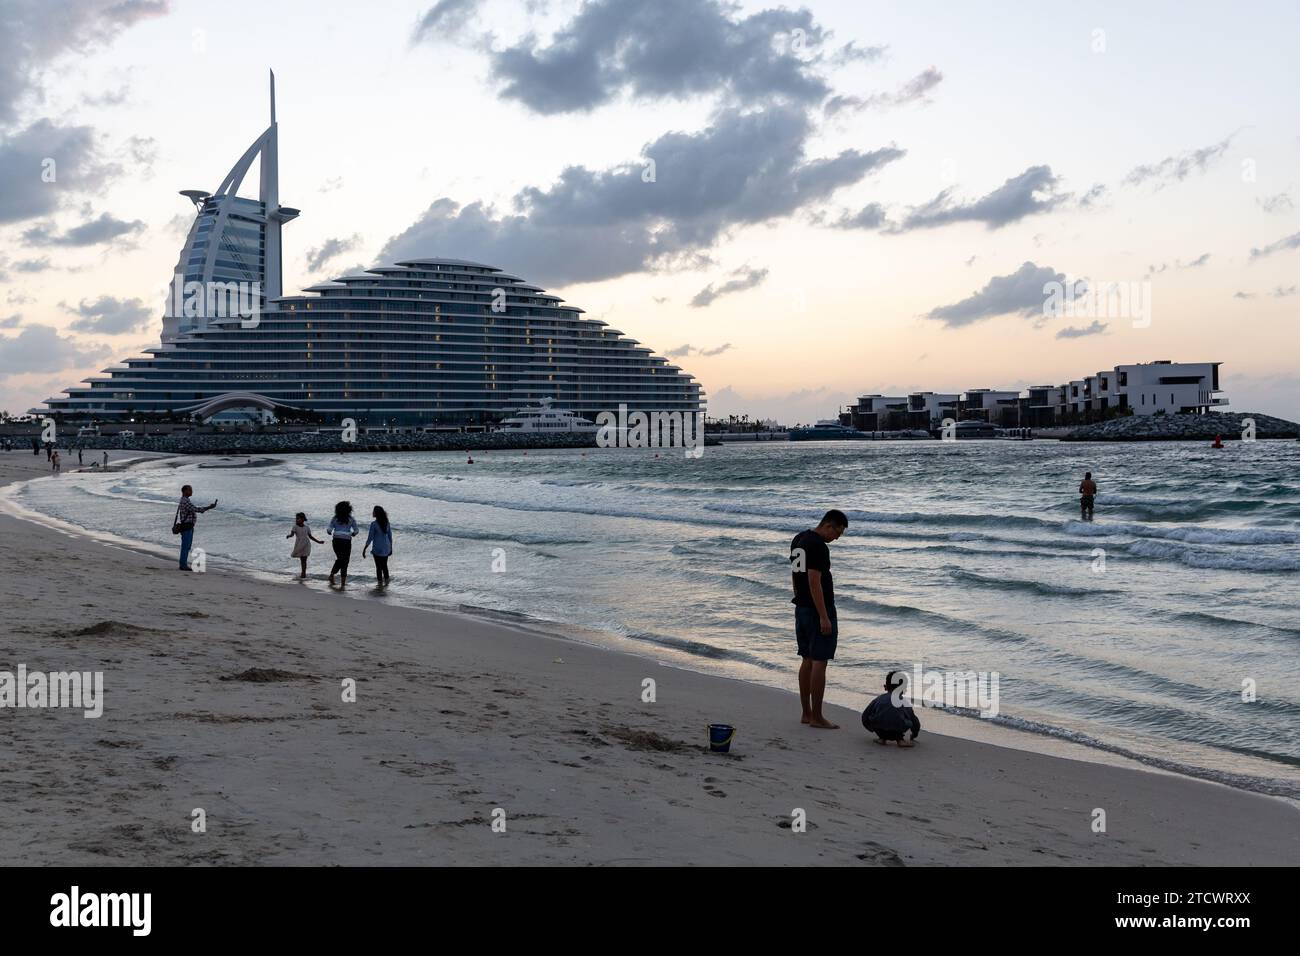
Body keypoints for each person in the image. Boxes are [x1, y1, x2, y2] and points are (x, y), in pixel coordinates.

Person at [789, 509, 849, 729]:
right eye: (838, 533)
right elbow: (815, 582)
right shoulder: (818, 546)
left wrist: (798, 599)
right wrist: (824, 616)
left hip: (802, 607)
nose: (837, 538)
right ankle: (817, 716)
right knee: (819, 661)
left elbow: (795, 574)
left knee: (806, 658)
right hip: (816, 610)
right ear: (828, 525)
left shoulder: (799, 539)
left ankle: (806, 713)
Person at [861, 671, 921, 747]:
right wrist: (914, 734)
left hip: (879, 728)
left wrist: (870, 727)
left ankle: (882, 738)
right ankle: (900, 740)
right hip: (897, 730)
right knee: (909, 720)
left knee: (875, 717)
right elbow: (915, 721)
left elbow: (865, 715)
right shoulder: (904, 702)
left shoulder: (879, 699)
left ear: (885, 687)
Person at [175, 484, 218, 571]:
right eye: (190, 490)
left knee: (186, 546)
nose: (191, 491)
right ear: (184, 491)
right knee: (185, 546)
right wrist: (209, 507)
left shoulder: (185, 500)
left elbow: (195, 509)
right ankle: (183, 565)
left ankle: (183, 564)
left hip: (188, 526)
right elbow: (197, 509)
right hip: (187, 527)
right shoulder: (185, 501)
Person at [327, 500, 359, 587]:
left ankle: (332, 575)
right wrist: (353, 534)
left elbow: (329, 528)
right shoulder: (351, 519)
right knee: (345, 560)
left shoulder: (335, 518)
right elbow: (356, 530)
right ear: (349, 510)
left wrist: (329, 531)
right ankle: (342, 583)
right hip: (346, 541)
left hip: (336, 541)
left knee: (341, 559)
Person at [362, 505, 393, 587]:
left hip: (377, 549)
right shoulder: (387, 523)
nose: (372, 513)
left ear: (376, 513)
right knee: (385, 566)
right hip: (386, 548)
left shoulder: (374, 524)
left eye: (373, 511)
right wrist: (391, 548)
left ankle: (380, 585)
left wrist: (364, 549)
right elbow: (390, 537)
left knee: (378, 567)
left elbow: (370, 538)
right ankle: (387, 584)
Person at [286, 512, 324, 578]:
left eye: (298, 518)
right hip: (299, 544)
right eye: (296, 518)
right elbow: (292, 534)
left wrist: (318, 541)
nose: (296, 520)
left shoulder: (307, 527)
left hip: (306, 544)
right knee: (302, 559)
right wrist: (289, 536)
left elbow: (310, 537)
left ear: (303, 519)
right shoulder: (295, 527)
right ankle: (303, 573)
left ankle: (303, 573)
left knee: (304, 559)